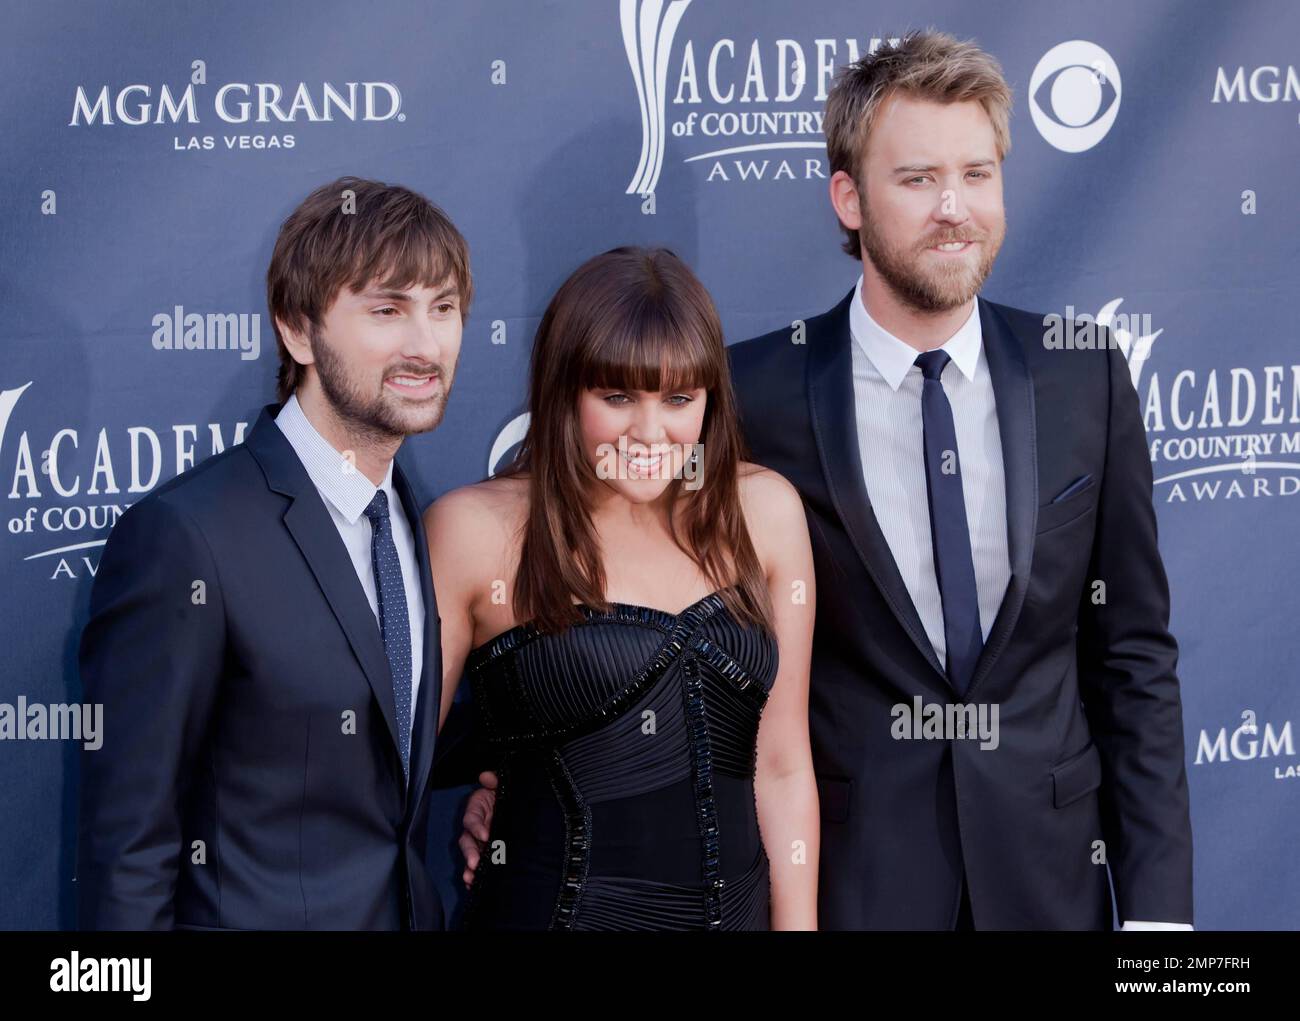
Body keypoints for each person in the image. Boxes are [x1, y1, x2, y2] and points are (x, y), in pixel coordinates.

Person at [462, 30, 1195, 931]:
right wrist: (518, 772)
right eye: (918, 178)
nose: (954, 207)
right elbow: (608, 558)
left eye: (978, 173)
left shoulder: (1084, 376)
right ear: (848, 197)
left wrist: (1162, 921)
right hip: (850, 889)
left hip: (1053, 887)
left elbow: (1134, 662)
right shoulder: (750, 394)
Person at [77, 176, 471, 929]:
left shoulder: (406, 516)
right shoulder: (186, 537)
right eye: (388, 309)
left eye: (443, 308)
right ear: (297, 328)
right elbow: (127, 845)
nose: (426, 344)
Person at [425, 246, 818, 930]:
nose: (649, 431)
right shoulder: (473, 531)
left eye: (677, 398)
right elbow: (388, 781)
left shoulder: (763, 512)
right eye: (616, 396)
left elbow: (782, 765)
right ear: (562, 391)